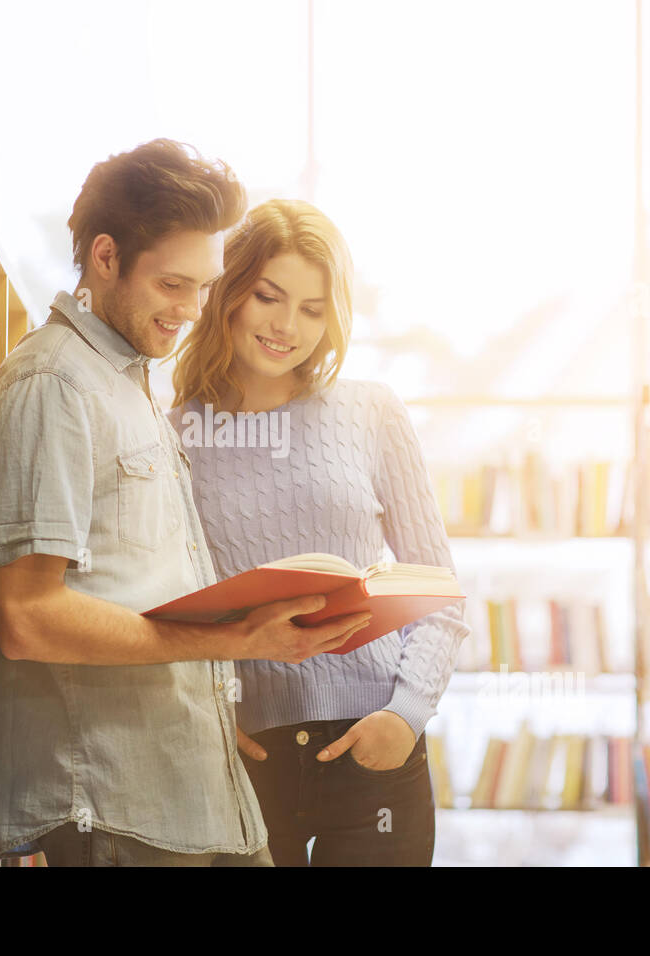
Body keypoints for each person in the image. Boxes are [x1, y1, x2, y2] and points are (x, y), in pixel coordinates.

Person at [0, 142, 372, 867]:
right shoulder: (54, 385)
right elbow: (28, 617)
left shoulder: (129, 384)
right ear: (105, 258)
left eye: (204, 286)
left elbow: (133, 588)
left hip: (190, 794)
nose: (192, 311)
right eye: (171, 285)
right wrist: (236, 640)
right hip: (111, 810)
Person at [168, 199, 469, 866]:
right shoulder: (173, 433)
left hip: (375, 751)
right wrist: (203, 720)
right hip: (239, 759)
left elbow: (439, 590)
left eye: (312, 307)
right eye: (269, 297)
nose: (287, 326)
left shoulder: (371, 412)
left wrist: (406, 714)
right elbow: (158, 605)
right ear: (228, 296)